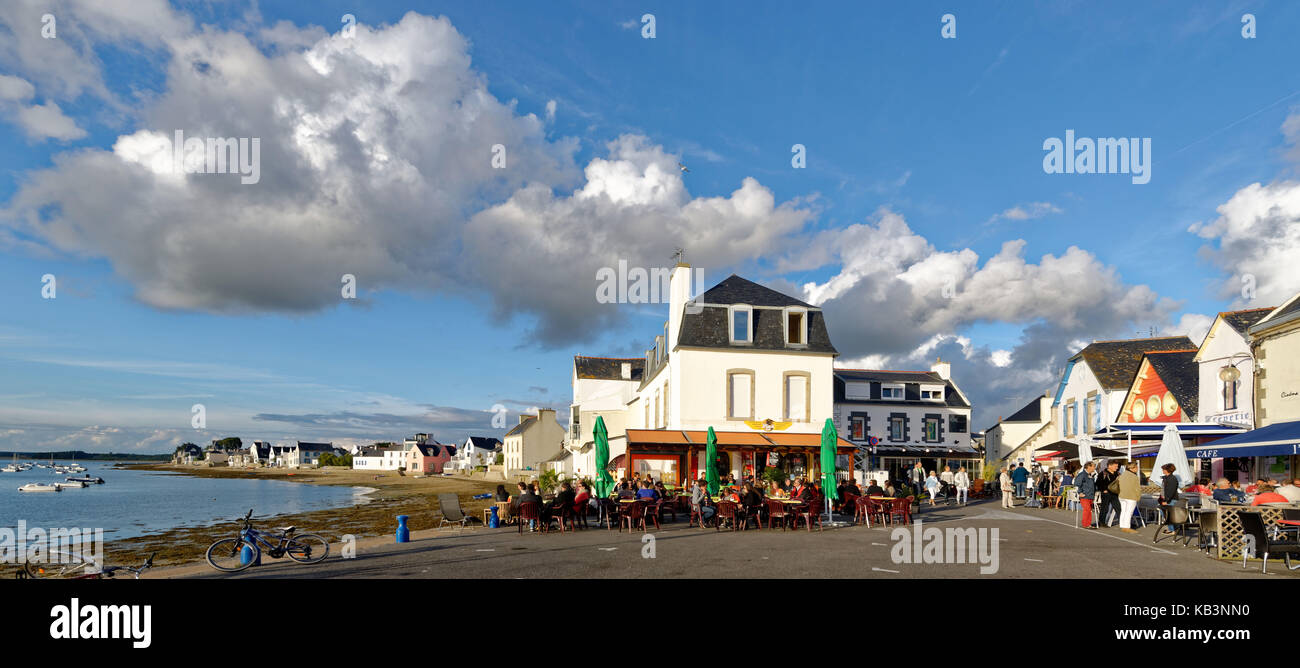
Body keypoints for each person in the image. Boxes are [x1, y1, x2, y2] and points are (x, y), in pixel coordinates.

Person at [1117, 461, 1141, 533]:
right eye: (1136, 467)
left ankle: (1122, 525)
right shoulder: (1134, 477)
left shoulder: (1122, 475)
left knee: (1123, 511)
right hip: (1131, 496)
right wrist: (1138, 497)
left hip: (1121, 496)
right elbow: (1137, 488)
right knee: (1128, 512)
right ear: (1132, 468)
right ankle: (1126, 527)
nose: (1137, 468)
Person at [1096, 460, 1121, 527]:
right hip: (1106, 494)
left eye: (1117, 466)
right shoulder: (1103, 473)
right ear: (1109, 466)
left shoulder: (1117, 474)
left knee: (1118, 508)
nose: (1117, 467)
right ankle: (1101, 522)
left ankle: (1123, 523)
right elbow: (1098, 483)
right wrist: (1103, 490)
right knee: (1104, 508)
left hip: (1115, 494)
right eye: (1115, 466)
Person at [1075, 461, 1097, 529]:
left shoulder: (1091, 475)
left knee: (1089, 510)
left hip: (1090, 495)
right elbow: (1077, 484)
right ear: (1089, 467)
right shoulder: (1082, 474)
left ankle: (1088, 523)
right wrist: (1079, 492)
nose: (1094, 467)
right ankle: (1086, 524)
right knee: (1087, 509)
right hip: (1084, 495)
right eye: (1093, 466)